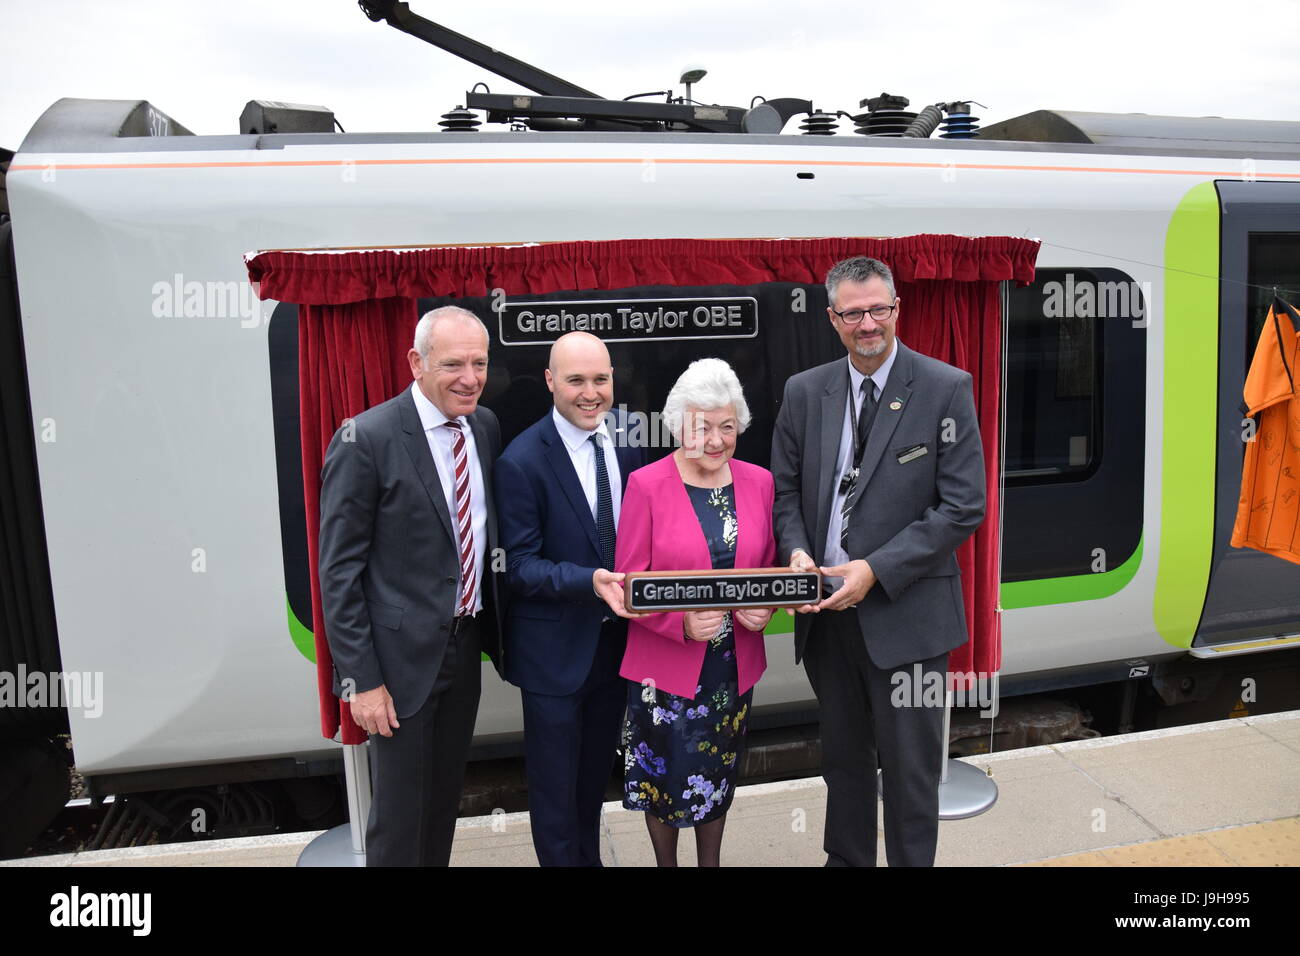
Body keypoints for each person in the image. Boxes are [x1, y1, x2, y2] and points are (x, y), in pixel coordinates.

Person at [771, 255, 986, 866]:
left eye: (878, 309)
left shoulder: (945, 387)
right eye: (853, 313)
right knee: (843, 767)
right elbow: (785, 490)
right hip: (826, 618)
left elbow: (962, 507)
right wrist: (796, 551)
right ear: (833, 317)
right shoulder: (805, 391)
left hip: (908, 620)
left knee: (912, 776)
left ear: (897, 309)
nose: (868, 324)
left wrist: (875, 570)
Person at [318, 305, 504, 867]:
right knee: (399, 820)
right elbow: (338, 573)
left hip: (463, 647)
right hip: (396, 667)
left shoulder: (485, 427)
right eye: (453, 364)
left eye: (480, 362)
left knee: (442, 804)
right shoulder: (366, 439)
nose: (469, 378)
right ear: (416, 363)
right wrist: (363, 681)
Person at [494, 331, 646, 867]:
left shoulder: (625, 444)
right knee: (555, 797)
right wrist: (590, 581)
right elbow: (520, 566)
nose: (590, 393)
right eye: (576, 380)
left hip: (614, 650)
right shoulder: (522, 460)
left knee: (589, 789)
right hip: (554, 656)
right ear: (550, 382)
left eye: (600, 379)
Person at [617, 358, 777, 867]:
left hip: (731, 671)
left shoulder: (759, 482)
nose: (715, 439)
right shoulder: (646, 484)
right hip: (663, 674)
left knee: (717, 778)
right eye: (701, 426)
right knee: (664, 782)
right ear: (678, 425)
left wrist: (765, 605)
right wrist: (679, 622)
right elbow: (628, 586)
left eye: (726, 426)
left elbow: (767, 565)